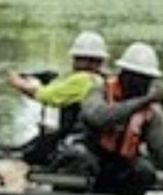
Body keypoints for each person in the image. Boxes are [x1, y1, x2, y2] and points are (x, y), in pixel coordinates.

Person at [57, 41, 163, 195]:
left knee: (144, 171)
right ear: (124, 75)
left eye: (146, 79)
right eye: (137, 78)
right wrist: (143, 101)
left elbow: (162, 150)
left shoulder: (150, 109)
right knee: (80, 158)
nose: (141, 84)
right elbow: (99, 117)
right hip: (90, 152)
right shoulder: (99, 90)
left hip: (120, 163)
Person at [7, 30, 108, 165]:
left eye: (77, 58)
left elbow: (47, 95)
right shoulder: (101, 79)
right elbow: (55, 90)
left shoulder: (83, 80)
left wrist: (18, 83)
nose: (74, 62)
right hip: (89, 142)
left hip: (74, 140)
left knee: (30, 154)